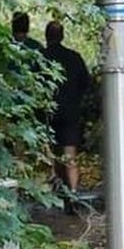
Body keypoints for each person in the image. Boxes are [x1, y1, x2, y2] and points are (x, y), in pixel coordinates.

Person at [42, 21, 91, 206]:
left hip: (47, 112)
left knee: (50, 151)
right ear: (62, 36)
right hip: (71, 112)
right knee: (70, 155)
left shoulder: (41, 57)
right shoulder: (74, 57)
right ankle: (73, 192)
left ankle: (55, 183)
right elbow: (86, 83)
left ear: (46, 36)